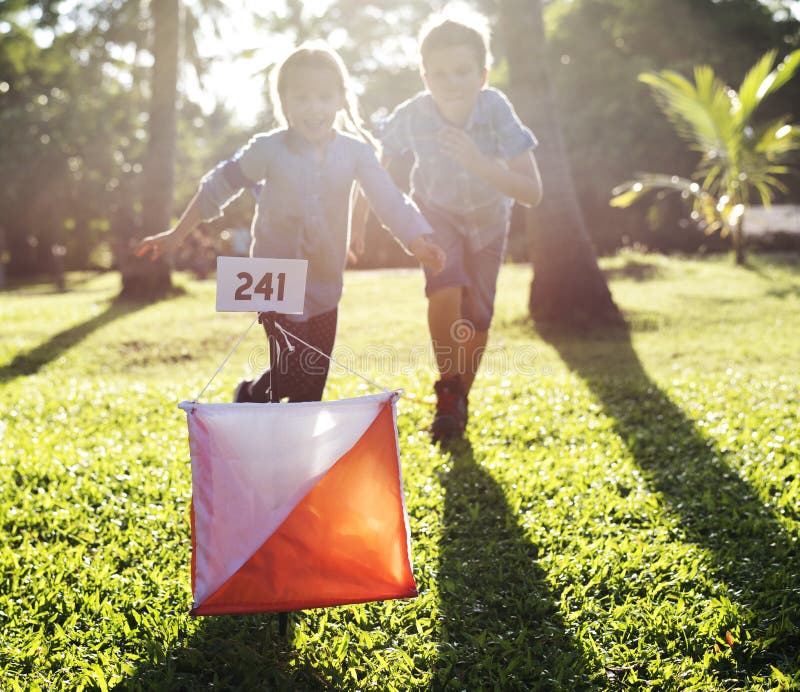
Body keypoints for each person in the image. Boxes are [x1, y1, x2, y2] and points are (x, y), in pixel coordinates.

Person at [138, 41, 445, 404]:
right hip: (274, 280)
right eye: (302, 98)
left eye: (324, 97)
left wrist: (416, 238)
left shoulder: (355, 153)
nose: (313, 108)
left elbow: (388, 198)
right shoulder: (268, 149)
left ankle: (269, 416)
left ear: (340, 100)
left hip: (324, 281)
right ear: (283, 103)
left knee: (311, 381)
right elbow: (219, 185)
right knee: (289, 372)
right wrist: (177, 234)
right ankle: (254, 397)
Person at [352, 10, 542, 443]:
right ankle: (446, 387)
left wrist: (477, 161)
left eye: (462, 71)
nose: (450, 82)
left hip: (491, 223)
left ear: (482, 74)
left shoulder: (496, 109)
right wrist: (358, 223)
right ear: (424, 76)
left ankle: (457, 400)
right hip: (436, 213)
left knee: (477, 322)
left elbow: (531, 191)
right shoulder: (413, 114)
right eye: (438, 73)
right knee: (445, 286)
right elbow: (375, 169)